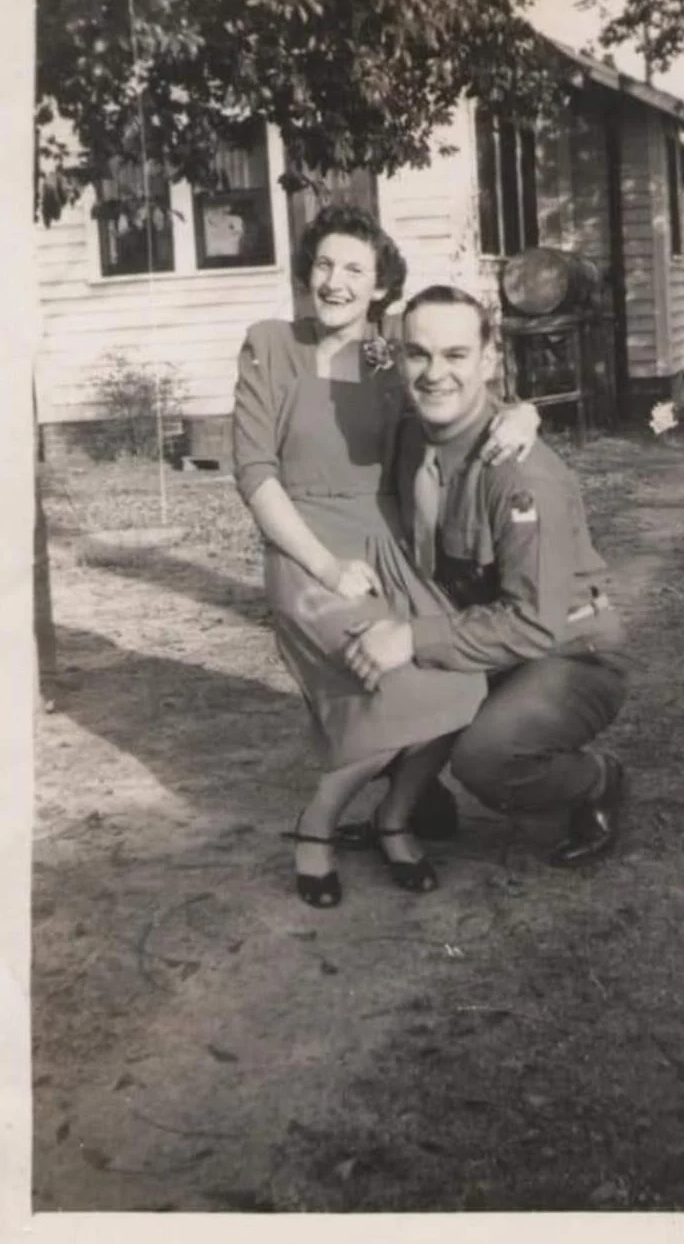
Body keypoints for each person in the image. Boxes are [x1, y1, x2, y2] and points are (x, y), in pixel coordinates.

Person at [232, 210, 539, 908]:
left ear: (378, 289)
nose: (334, 282)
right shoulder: (269, 345)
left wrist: (523, 414)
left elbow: (456, 398)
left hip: (387, 545)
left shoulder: (387, 356)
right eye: (324, 264)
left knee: (463, 677)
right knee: (399, 685)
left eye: (354, 270)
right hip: (307, 550)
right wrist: (327, 567)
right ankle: (317, 825)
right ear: (307, 270)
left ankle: (393, 816)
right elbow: (255, 474)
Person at [343, 285, 628, 867]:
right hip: (478, 636)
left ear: (489, 360)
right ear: (399, 358)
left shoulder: (519, 474)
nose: (434, 373)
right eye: (418, 354)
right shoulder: (408, 433)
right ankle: (420, 804)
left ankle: (597, 781)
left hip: (566, 652)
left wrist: (412, 640)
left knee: (489, 757)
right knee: (346, 660)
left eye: (455, 355)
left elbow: (534, 624)